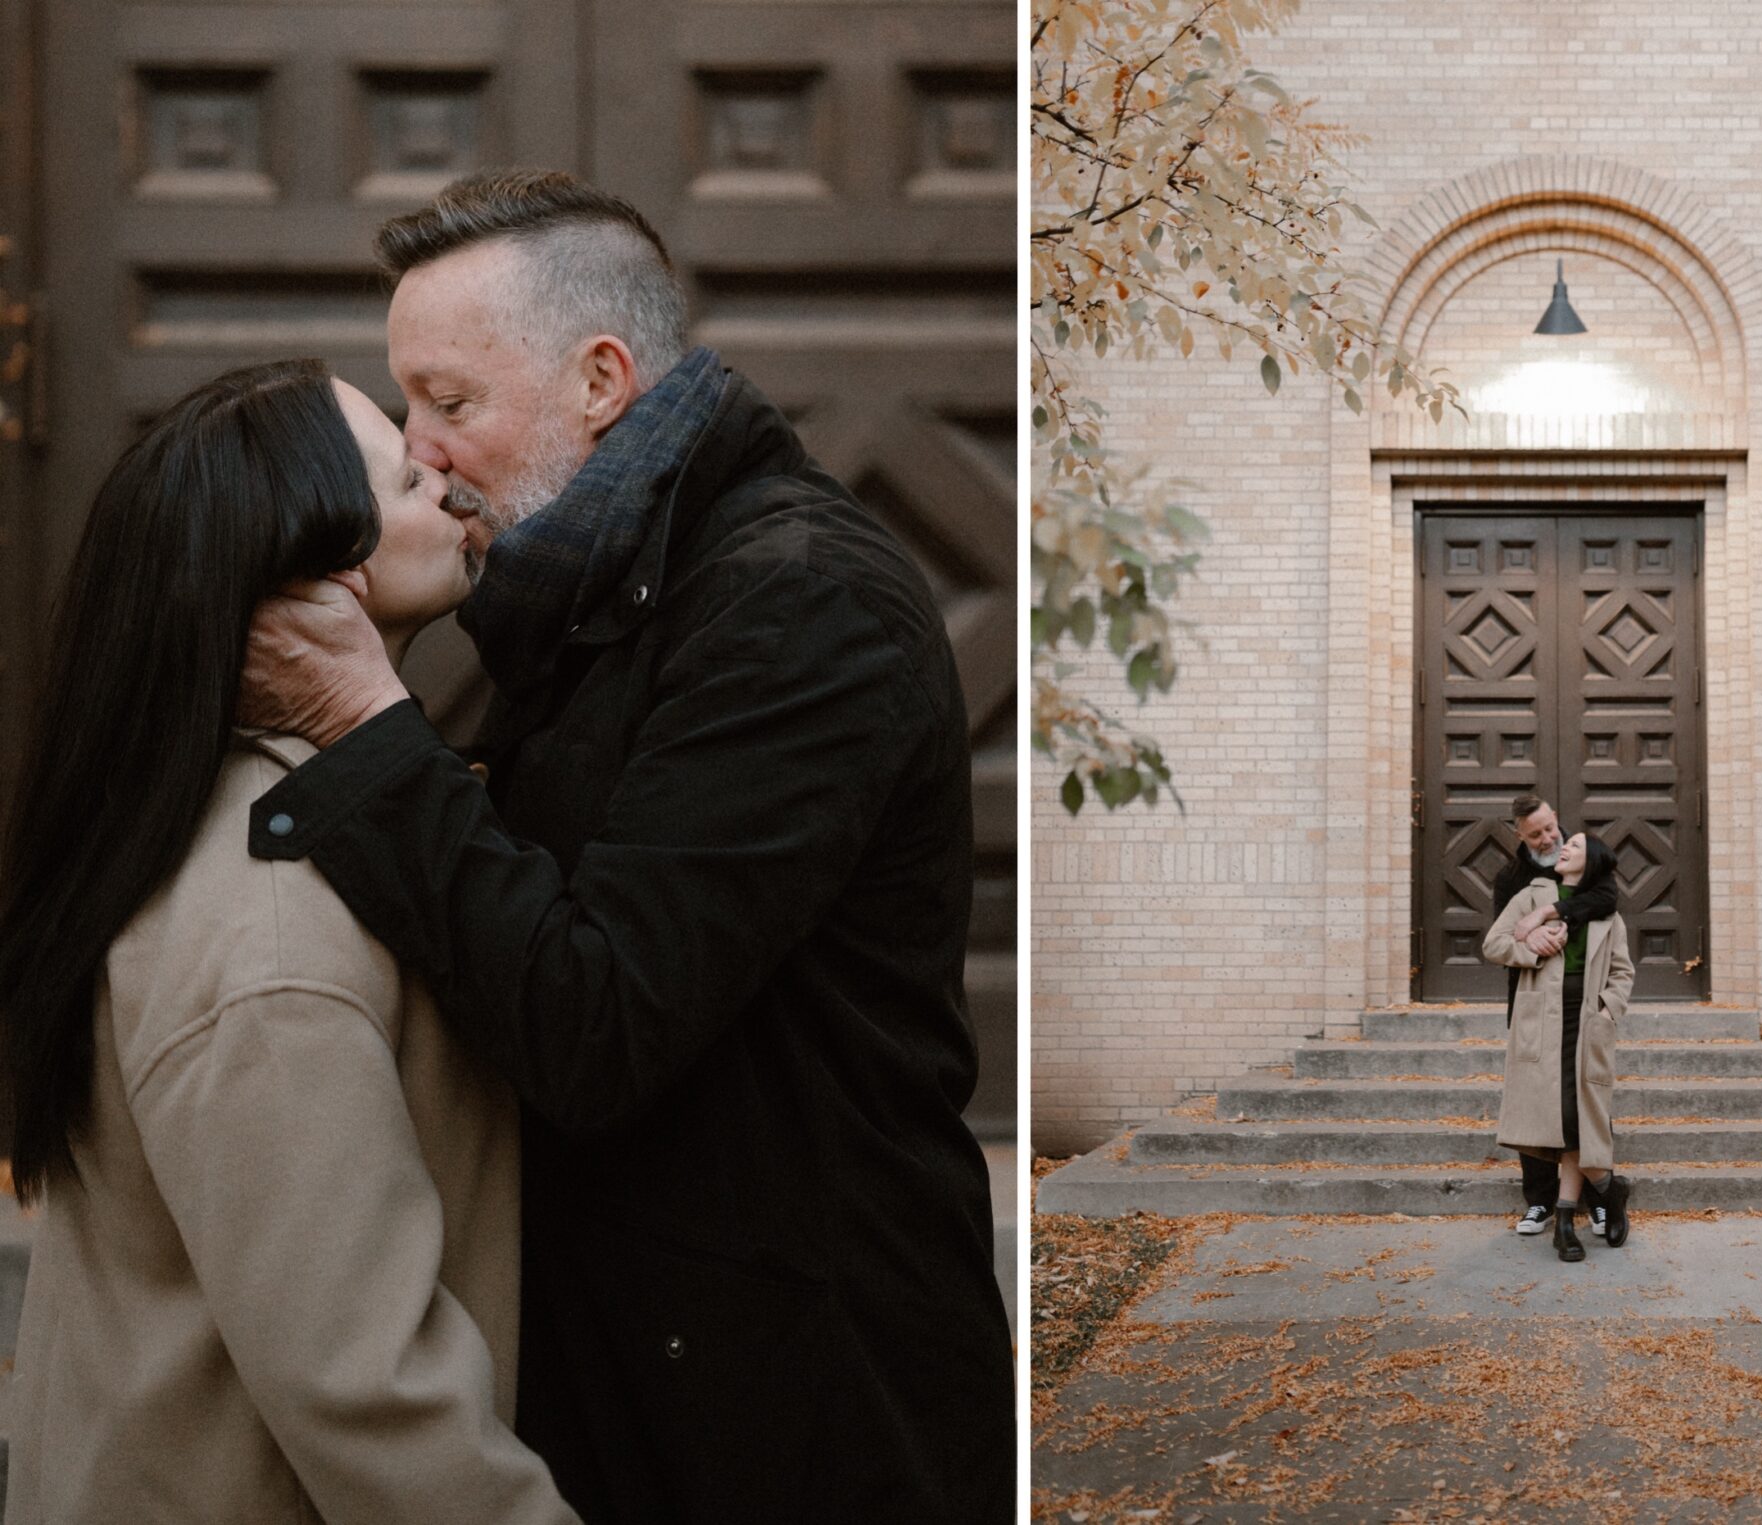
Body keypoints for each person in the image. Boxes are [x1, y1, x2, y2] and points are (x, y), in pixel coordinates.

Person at [237, 170, 1014, 1521]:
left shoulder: (794, 601)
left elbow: (595, 1023)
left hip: (796, 1422)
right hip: (655, 1378)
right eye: (409, 405)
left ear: (601, 380)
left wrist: (359, 717)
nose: (419, 452)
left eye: (451, 401)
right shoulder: (576, 588)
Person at [0, 360, 579, 1523]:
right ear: (330, 578)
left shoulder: (271, 821)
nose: (451, 484)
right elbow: (371, 1396)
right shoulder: (270, 931)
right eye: (412, 479)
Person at [1485, 831, 1636, 1262]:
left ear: (1589, 864)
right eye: (1565, 842)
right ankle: (1606, 1190)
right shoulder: (1528, 898)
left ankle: (1568, 1217)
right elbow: (1494, 944)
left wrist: (1608, 1011)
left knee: (1574, 1119)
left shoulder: (1607, 914)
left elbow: (1623, 972)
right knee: (1563, 1120)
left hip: (1587, 1023)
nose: (1564, 847)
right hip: (1543, 1021)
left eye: (1575, 846)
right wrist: (1529, 945)